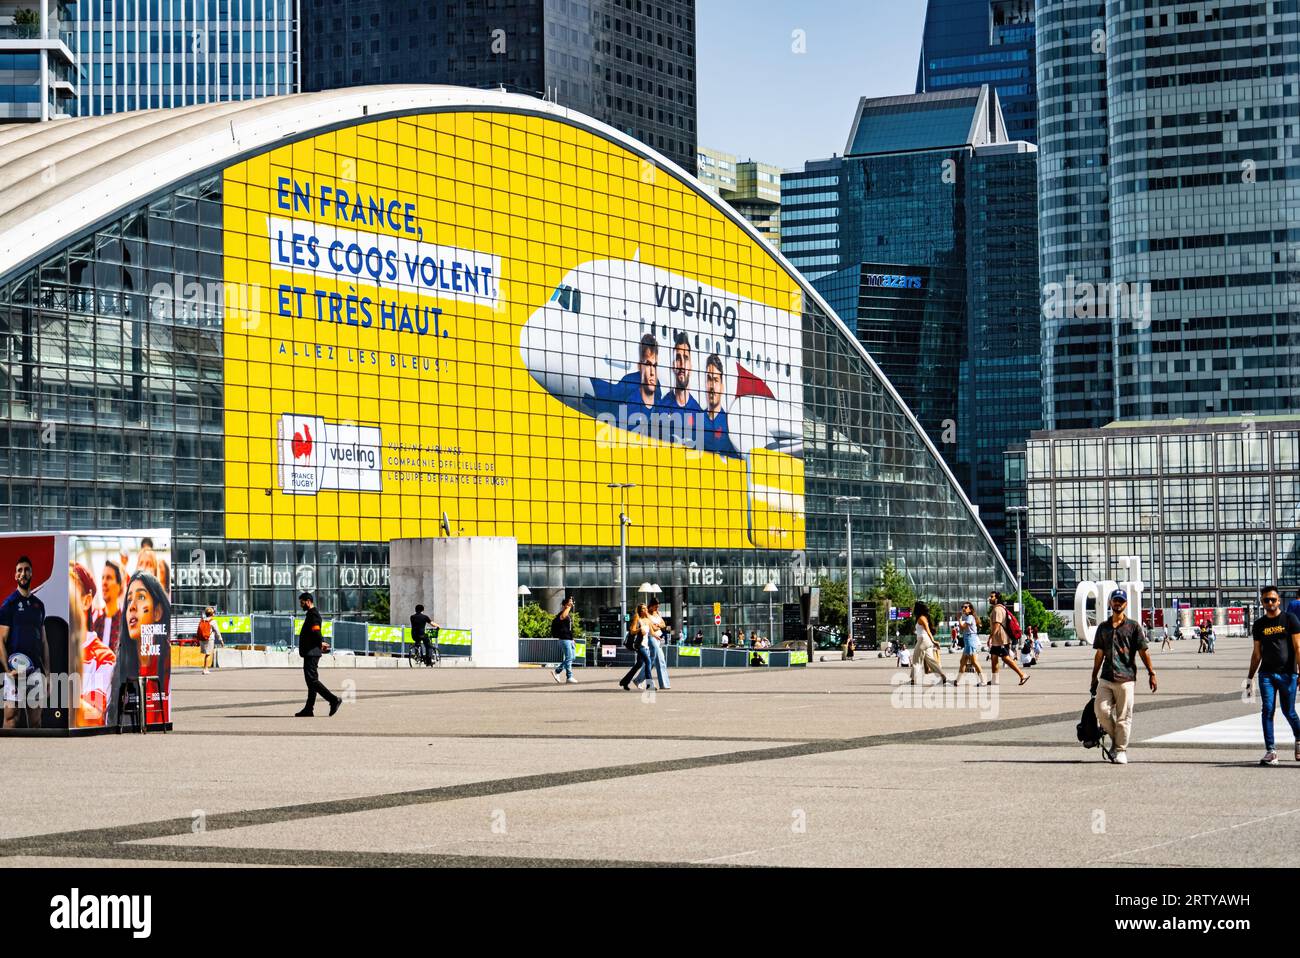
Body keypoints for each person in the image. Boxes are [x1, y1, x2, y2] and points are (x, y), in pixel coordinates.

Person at [1089, 589, 1157, 764]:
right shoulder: (1103, 627)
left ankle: (1120, 750)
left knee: (1123, 716)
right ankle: (1115, 739)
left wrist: (1151, 673)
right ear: (1111, 603)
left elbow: (1143, 651)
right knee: (1101, 711)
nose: (1118, 603)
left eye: (1121, 601)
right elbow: (1099, 654)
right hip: (1106, 677)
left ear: (1126, 604)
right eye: (1115, 600)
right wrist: (1093, 677)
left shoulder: (1133, 626)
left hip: (1126, 678)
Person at [106, 571, 172, 729]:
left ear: (157, 612)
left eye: (141, 597)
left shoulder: (167, 662)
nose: (132, 607)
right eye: (129, 600)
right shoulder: (120, 663)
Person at [1246, 585, 1300, 766]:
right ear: (1262, 602)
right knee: (1267, 710)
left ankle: (1299, 738)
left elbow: (1298, 648)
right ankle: (1271, 751)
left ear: (1278, 601)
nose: (1270, 603)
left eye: (1273, 600)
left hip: (1288, 673)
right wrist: (1249, 677)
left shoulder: (1289, 619)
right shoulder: (1259, 624)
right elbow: (1256, 654)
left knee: (1289, 711)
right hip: (1266, 674)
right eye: (1266, 600)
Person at [0, 556, 49, 729]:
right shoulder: (8, 605)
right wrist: (8, 671)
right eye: (20, 570)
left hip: (34, 670)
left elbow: (44, 642)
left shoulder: (39, 606)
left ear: (31, 573)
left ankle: (37, 756)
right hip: (14, 672)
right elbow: (1, 641)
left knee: (36, 720)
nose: (23, 573)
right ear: (15, 575)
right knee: (11, 718)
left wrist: (48, 673)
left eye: (27, 570)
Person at [71, 564, 115, 727]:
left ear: (86, 600)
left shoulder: (104, 658)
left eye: (69, 595)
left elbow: (92, 716)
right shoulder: (47, 646)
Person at [295, 592, 341, 717]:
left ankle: (333, 699)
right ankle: (309, 709)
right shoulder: (311, 614)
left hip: (312, 653)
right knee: (311, 682)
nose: (301, 605)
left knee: (312, 680)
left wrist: (320, 642)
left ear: (308, 601)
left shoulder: (313, 614)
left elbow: (316, 631)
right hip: (311, 652)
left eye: (302, 602)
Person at [658, 331, 704, 447]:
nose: (682, 364)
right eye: (678, 358)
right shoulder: (662, 408)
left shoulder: (698, 413)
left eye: (686, 358)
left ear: (691, 366)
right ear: (674, 365)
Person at [987, 591, 1030, 686]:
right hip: (997, 639)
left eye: (992, 597)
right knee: (994, 658)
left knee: (1005, 658)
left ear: (997, 598)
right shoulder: (999, 608)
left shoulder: (997, 609)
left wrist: (990, 637)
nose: (990, 598)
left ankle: (1023, 675)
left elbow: (997, 624)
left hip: (1000, 639)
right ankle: (995, 680)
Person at [702, 352, 740, 458]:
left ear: (722, 387)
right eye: (709, 379)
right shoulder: (697, 421)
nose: (712, 386)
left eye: (716, 380)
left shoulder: (730, 425)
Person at [910, 600, 953, 686]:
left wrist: (934, 641)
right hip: (926, 641)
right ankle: (943, 676)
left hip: (923, 641)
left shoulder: (921, 618)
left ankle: (913, 680)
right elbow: (923, 630)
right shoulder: (923, 617)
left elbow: (927, 630)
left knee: (916, 661)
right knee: (931, 661)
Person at [619, 604, 656, 690]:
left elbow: (652, 631)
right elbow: (632, 631)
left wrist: (661, 627)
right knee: (648, 661)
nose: (645, 610)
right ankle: (649, 685)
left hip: (645, 646)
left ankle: (624, 682)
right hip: (639, 645)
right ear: (640, 610)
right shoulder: (637, 617)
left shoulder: (647, 619)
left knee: (638, 664)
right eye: (643, 608)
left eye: (646, 608)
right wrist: (640, 629)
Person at [91, 559, 124, 653]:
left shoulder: (125, 622)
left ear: (119, 586)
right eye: (103, 578)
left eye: (109, 578)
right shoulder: (94, 620)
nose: (104, 582)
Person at [549, 595, 578, 684]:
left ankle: (564, 674)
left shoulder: (568, 615)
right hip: (564, 639)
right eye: (569, 602)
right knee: (569, 657)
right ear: (565, 605)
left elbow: (568, 629)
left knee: (572, 657)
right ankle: (566, 675)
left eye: (572, 602)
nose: (571, 603)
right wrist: (568, 607)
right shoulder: (562, 614)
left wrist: (572, 639)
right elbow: (563, 616)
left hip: (569, 639)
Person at [956, 602, 986, 685]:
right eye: (963, 606)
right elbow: (962, 629)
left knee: (974, 662)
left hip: (970, 640)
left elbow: (962, 627)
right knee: (962, 661)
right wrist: (961, 618)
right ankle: (957, 681)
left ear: (970, 609)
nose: (963, 608)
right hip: (967, 640)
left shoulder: (970, 617)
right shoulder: (967, 617)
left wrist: (959, 619)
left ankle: (983, 680)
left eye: (965, 607)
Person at [647, 598, 671, 690]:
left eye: (658, 607)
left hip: (658, 638)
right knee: (660, 660)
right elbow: (651, 627)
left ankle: (638, 679)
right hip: (651, 638)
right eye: (656, 607)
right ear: (651, 606)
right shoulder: (647, 615)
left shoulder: (657, 613)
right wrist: (657, 626)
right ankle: (664, 684)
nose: (657, 609)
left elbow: (663, 624)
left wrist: (657, 626)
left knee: (653, 661)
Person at [197, 605, 223, 674]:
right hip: (209, 639)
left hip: (202, 639)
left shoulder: (203, 620)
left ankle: (205, 668)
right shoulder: (213, 621)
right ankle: (205, 669)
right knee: (208, 654)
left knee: (207, 654)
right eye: (213, 612)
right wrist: (221, 640)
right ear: (212, 614)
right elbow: (217, 631)